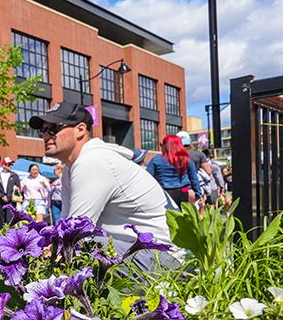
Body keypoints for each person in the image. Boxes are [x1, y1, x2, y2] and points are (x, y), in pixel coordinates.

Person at [30, 101, 170, 252]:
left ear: (80, 130)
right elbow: (65, 225)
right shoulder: (70, 169)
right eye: (42, 131)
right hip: (132, 249)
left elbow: (75, 233)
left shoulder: (93, 161)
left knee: (82, 246)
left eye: (52, 129)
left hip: (159, 257)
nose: (45, 136)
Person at [145, 135, 201, 208]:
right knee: (183, 215)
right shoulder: (186, 159)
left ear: (165, 146)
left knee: (168, 216)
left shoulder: (156, 159)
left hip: (164, 192)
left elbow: (147, 177)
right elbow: (194, 178)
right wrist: (198, 193)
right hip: (183, 190)